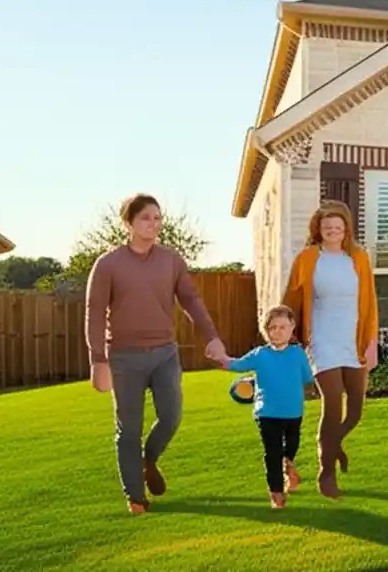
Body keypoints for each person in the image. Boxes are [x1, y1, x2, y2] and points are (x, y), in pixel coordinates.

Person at [85, 193, 227, 515]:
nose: (154, 224)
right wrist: (98, 360)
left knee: (172, 417)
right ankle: (136, 497)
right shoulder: (108, 264)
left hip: (164, 353)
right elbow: (93, 314)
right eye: (146, 218)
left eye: (158, 218)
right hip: (123, 357)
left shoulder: (171, 260)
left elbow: (191, 300)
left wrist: (213, 337)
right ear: (129, 223)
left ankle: (149, 460)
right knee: (129, 429)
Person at [282, 200, 378, 499]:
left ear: (346, 229)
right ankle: (327, 472)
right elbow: (291, 299)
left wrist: (370, 341)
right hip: (321, 337)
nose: (333, 231)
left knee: (356, 412)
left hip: (353, 338)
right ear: (319, 230)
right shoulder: (308, 258)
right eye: (327, 227)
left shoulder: (359, 258)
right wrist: (285, 336)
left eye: (338, 227)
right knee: (333, 403)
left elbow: (370, 302)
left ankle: (331, 446)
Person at [221, 305, 314, 509]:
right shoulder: (260, 354)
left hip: (293, 412)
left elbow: (308, 378)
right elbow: (236, 365)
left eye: (282, 327)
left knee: (291, 446)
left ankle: (288, 463)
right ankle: (277, 494)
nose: (277, 332)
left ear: (292, 328)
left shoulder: (298, 354)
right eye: (272, 328)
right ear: (266, 331)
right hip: (267, 413)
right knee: (272, 453)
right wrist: (221, 357)